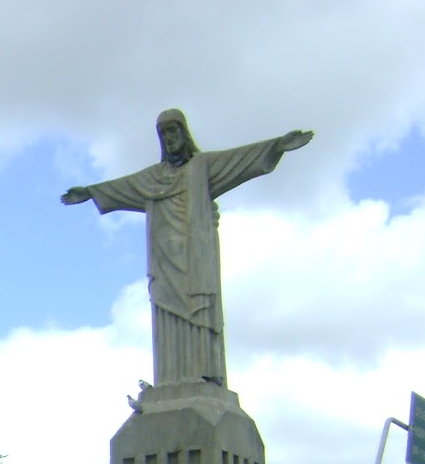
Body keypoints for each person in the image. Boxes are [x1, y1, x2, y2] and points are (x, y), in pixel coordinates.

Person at [62, 109, 313, 388]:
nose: (170, 138)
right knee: (167, 318)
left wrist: (277, 146)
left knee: (201, 311)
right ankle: (172, 380)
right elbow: (122, 187)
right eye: (164, 134)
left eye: (173, 131)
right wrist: (89, 193)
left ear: (184, 133)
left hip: (196, 258)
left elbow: (240, 160)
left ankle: (205, 374)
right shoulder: (151, 179)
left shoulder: (202, 167)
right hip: (164, 260)